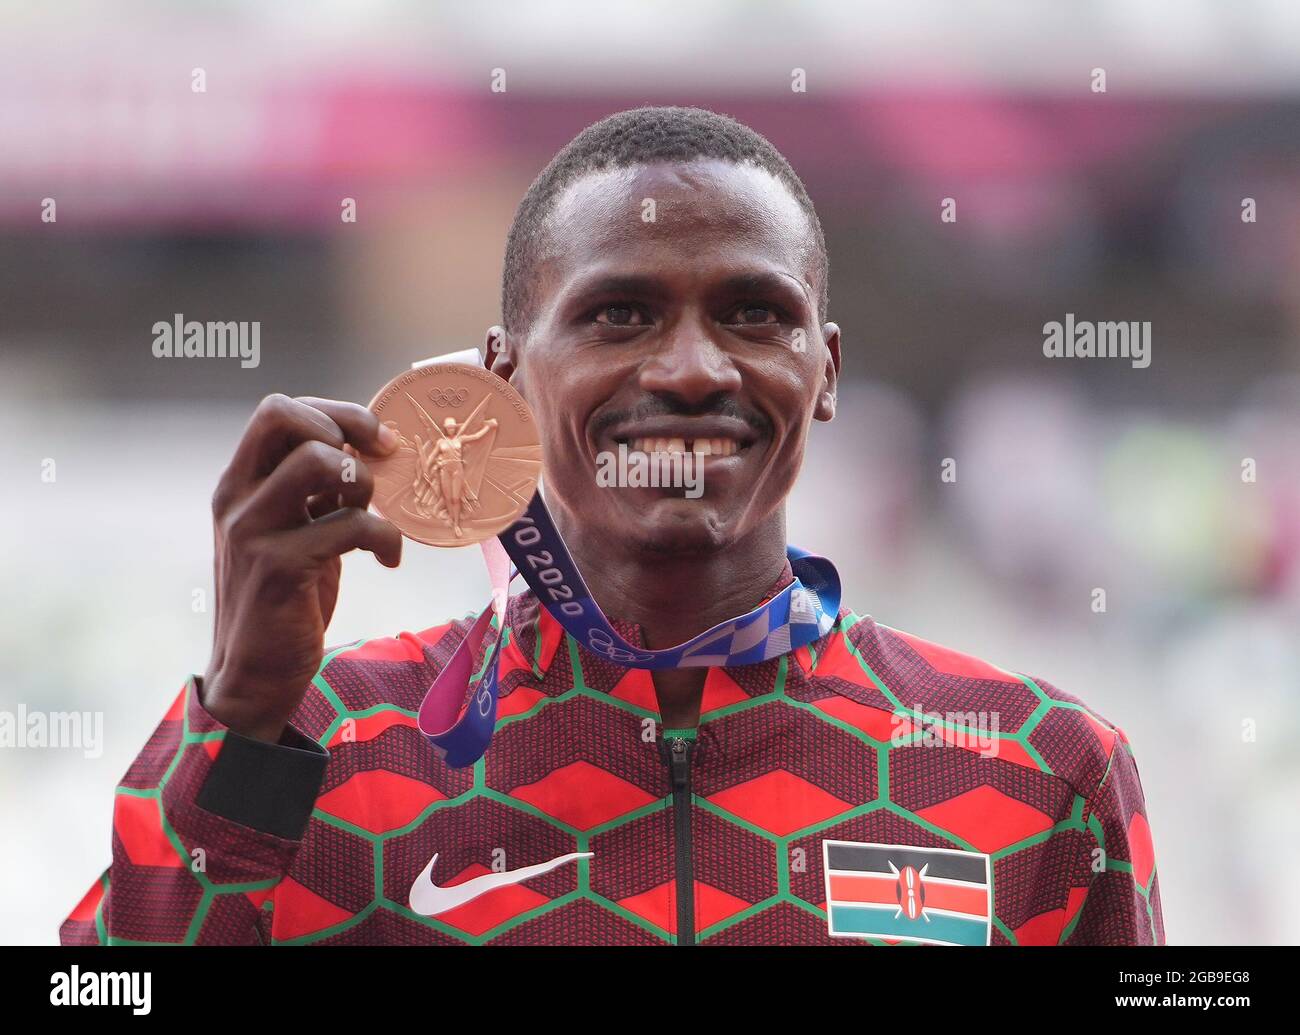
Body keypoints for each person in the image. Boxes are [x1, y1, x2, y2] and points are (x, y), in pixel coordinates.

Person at [61, 106, 1164, 946]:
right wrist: (240, 727)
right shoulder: (321, 746)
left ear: (823, 371)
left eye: (753, 313)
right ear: (503, 374)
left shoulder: (1039, 767)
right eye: (617, 313)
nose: (690, 367)